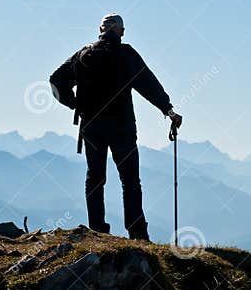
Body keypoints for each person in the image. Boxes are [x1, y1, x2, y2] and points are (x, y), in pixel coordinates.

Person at [49, 13, 182, 240]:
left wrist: (77, 106)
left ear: (101, 30)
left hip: (91, 126)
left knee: (95, 177)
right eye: (123, 29)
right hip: (123, 127)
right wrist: (168, 110)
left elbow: (56, 80)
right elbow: (148, 84)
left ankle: (97, 230)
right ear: (119, 31)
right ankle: (137, 232)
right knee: (130, 180)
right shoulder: (126, 55)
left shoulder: (84, 54)